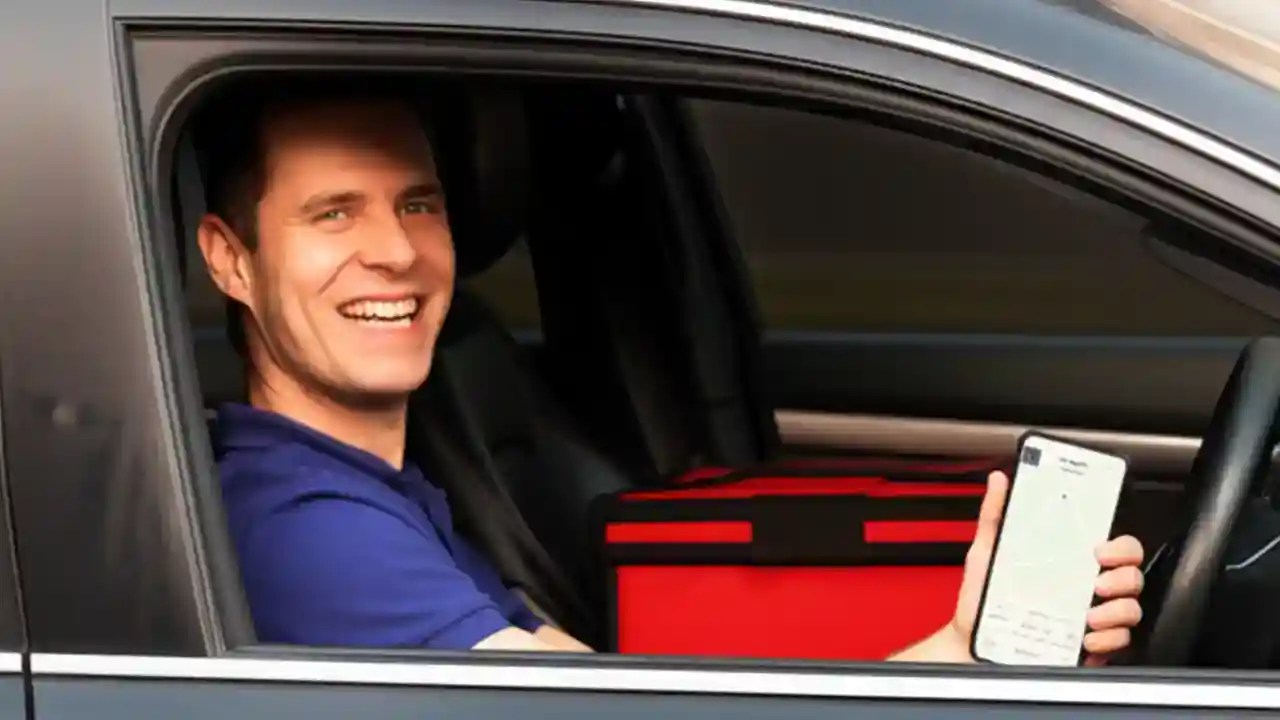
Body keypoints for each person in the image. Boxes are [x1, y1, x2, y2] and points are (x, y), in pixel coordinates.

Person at [195, 81, 1146, 659]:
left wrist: (961, 647)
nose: (397, 252)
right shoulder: (307, 530)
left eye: (418, 204)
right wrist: (955, 662)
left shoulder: (378, 489)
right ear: (230, 260)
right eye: (333, 214)